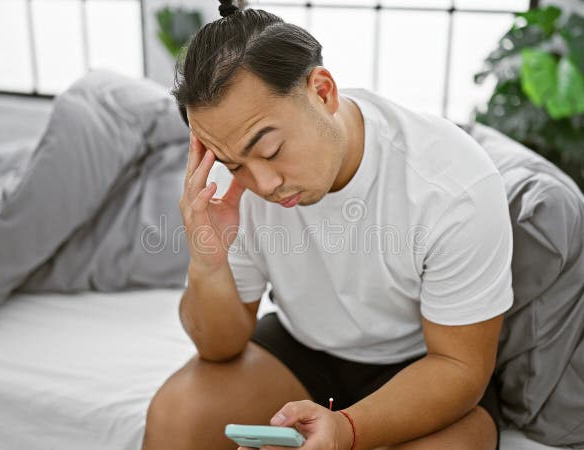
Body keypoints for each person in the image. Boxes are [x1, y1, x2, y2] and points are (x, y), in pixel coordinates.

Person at [142, 1, 513, 449]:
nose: (265, 184)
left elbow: (460, 367)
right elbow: (218, 347)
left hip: (423, 364)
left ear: (322, 91)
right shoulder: (233, 181)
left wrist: (348, 429)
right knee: (176, 416)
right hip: (303, 351)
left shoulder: (452, 183)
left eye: (272, 150)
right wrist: (207, 257)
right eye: (233, 163)